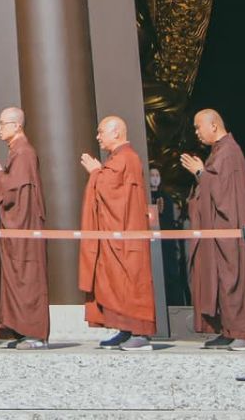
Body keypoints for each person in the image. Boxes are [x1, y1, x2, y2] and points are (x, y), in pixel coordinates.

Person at [180, 108, 245, 349]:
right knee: (218, 278)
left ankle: (241, 332)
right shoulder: (219, 152)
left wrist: (201, 172)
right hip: (217, 230)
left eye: (198, 126)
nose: (196, 132)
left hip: (229, 230)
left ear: (213, 125)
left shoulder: (229, 152)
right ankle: (227, 329)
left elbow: (224, 192)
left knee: (230, 276)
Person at [79, 115, 156, 351]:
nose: (98, 136)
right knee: (114, 282)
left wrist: (96, 172)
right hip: (115, 236)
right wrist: (99, 172)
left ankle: (141, 333)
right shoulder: (117, 160)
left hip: (127, 237)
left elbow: (114, 194)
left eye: (101, 131)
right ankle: (125, 329)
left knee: (131, 282)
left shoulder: (127, 158)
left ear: (116, 133)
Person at [0, 106, 48, 348]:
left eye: (2, 123)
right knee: (14, 278)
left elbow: (16, 194)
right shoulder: (16, 153)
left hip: (23, 230)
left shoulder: (24, 153)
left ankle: (35, 335)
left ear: (17, 125)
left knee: (26, 277)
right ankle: (21, 330)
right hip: (15, 229)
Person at [149, 166, 190, 306]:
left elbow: (169, 220)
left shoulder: (165, 197)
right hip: (151, 242)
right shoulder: (145, 195)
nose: (154, 178)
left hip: (165, 242)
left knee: (169, 273)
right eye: (152, 175)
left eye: (156, 175)